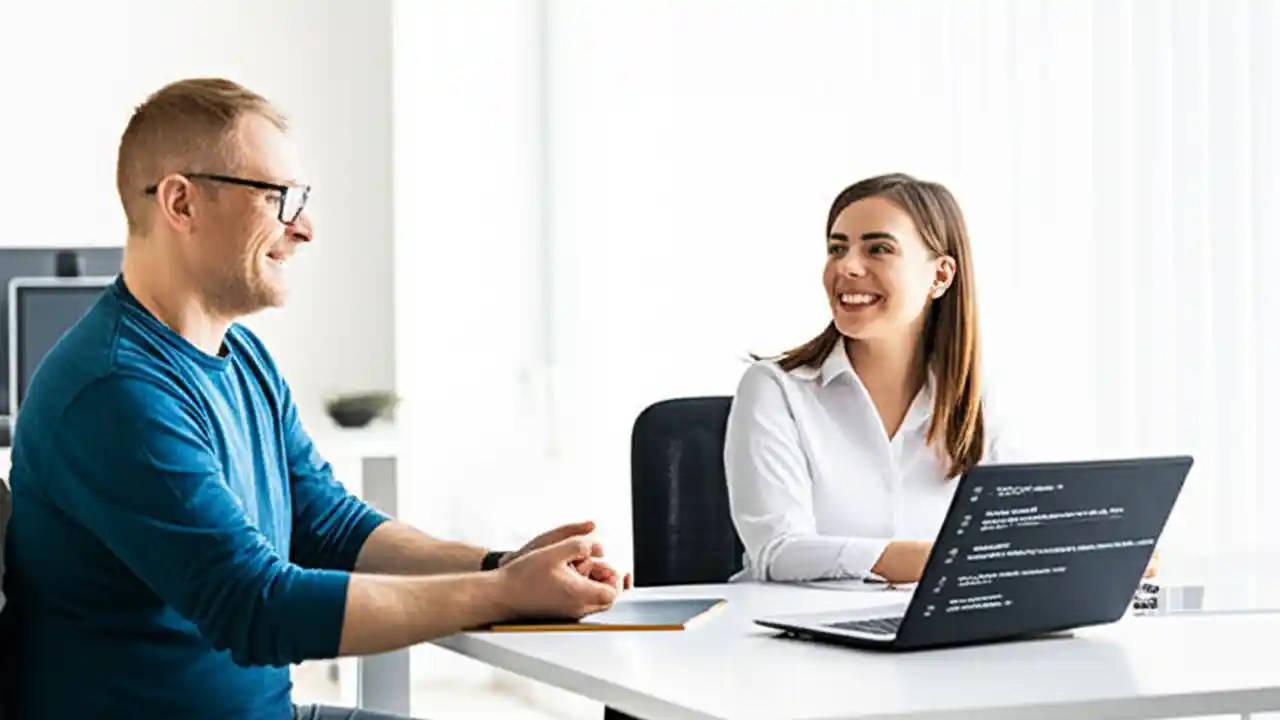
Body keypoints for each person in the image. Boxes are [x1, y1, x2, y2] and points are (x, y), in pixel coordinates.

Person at [0, 78, 629, 720]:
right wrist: (501, 592)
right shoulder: (116, 392)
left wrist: (503, 563)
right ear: (181, 203)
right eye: (279, 198)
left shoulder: (242, 358)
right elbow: (257, 608)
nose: (304, 228)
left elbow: (324, 524)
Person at [724, 173, 1002, 586]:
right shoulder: (774, 390)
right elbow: (779, 552)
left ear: (940, 276)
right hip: (794, 640)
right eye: (837, 249)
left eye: (878, 249)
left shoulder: (983, 399)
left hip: (944, 639)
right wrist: (944, 558)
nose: (848, 266)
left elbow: (1018, 541)